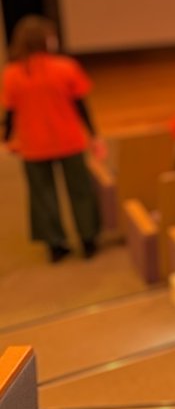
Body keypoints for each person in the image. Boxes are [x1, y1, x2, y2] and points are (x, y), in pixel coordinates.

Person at [2, 15, 103, 262]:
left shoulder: (11, 74)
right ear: (47, 39)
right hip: (69, 141)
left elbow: (10, 114)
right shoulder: (66, 67)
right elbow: (82, 106)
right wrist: (94, 134)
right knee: (80, 191)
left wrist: (6, 140)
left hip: (33, 146)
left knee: (42, 196)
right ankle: (88, 239)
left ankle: (55, 246)